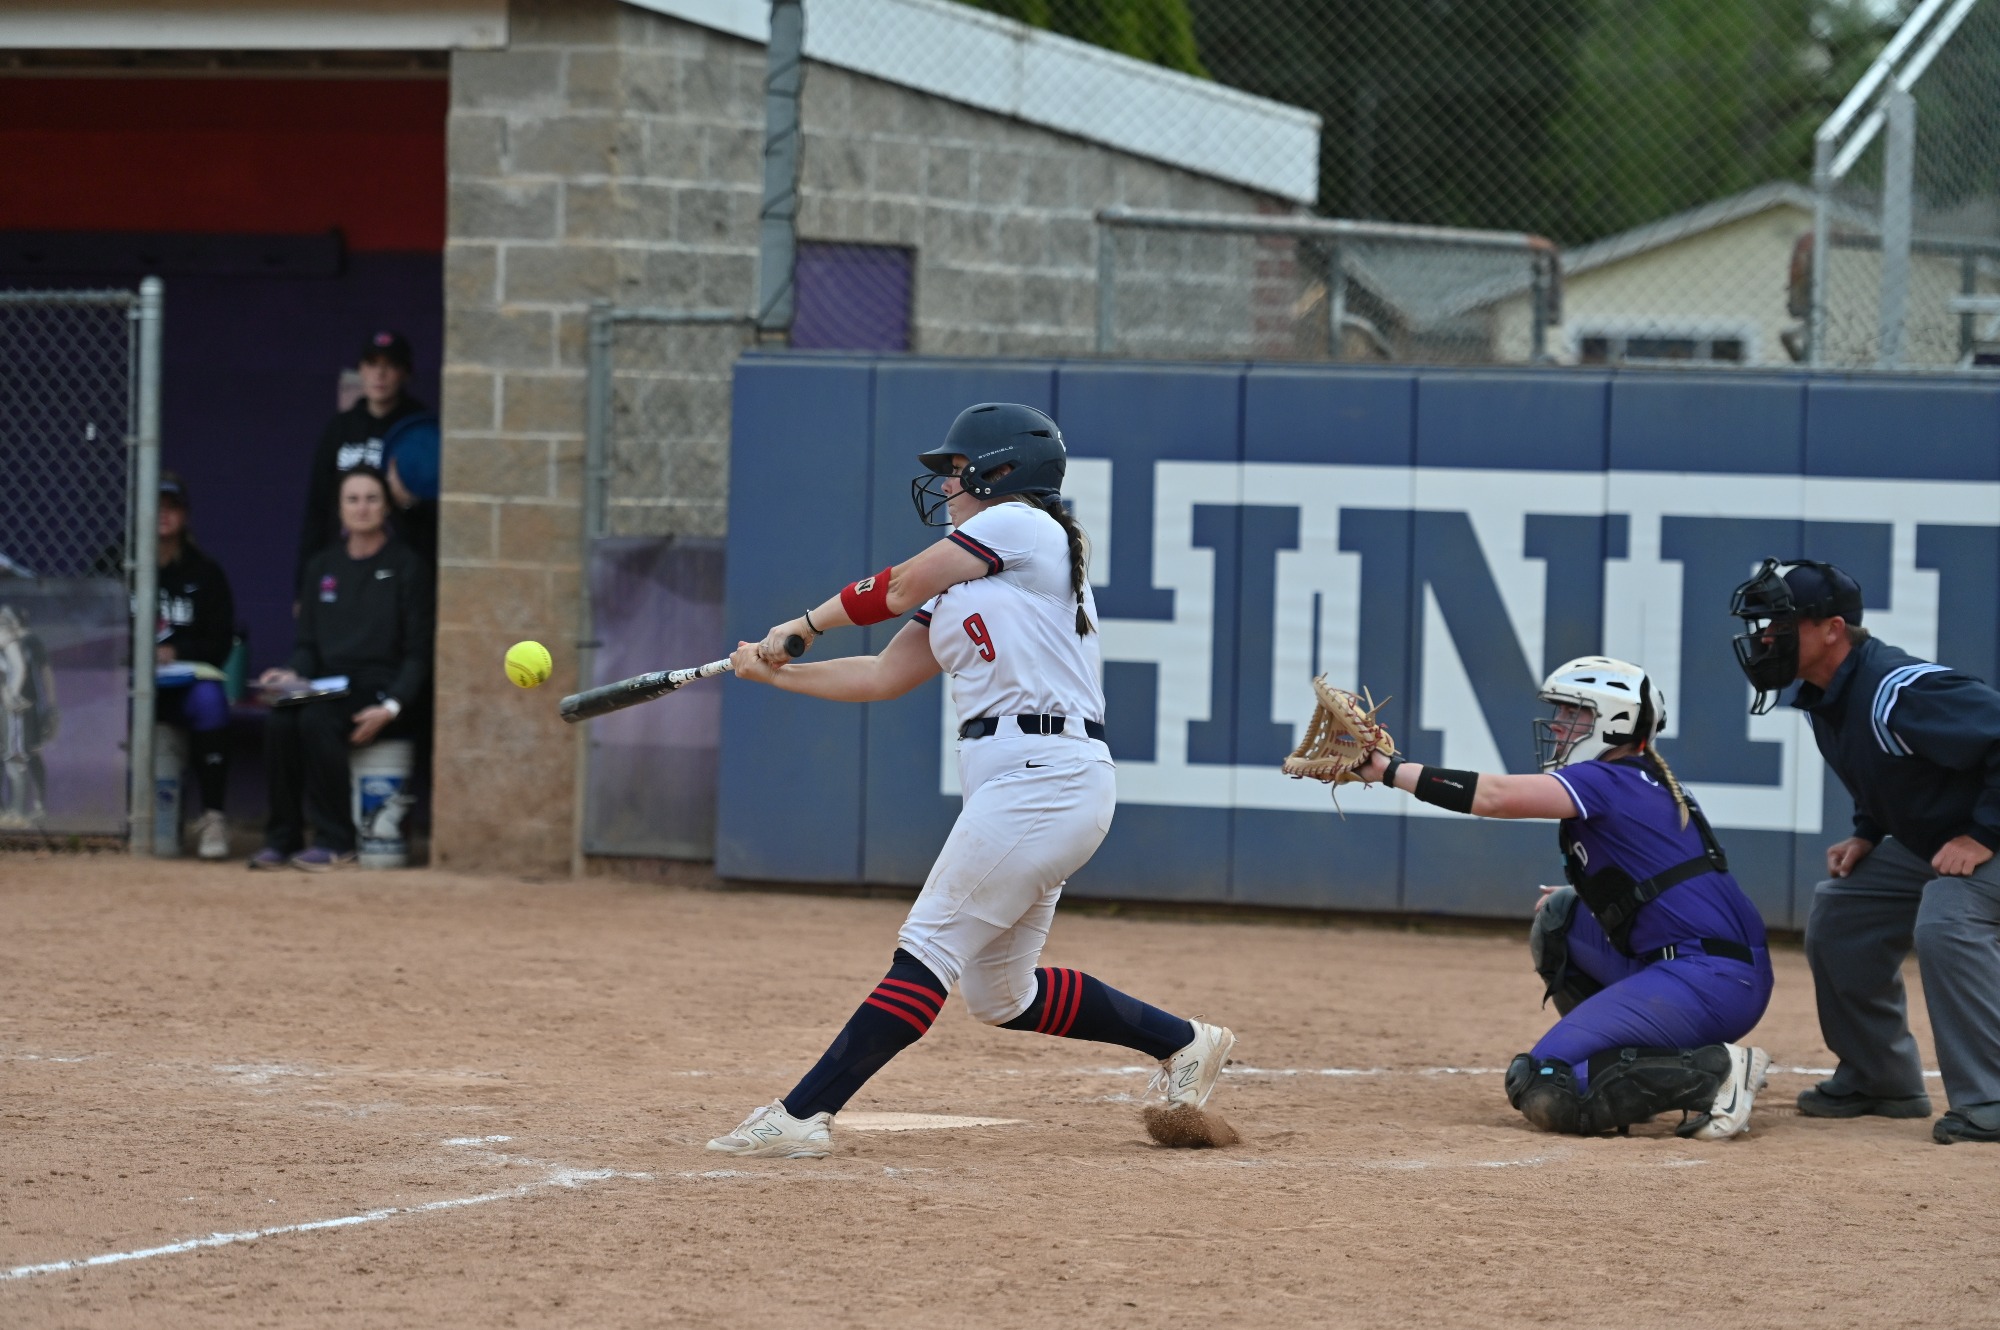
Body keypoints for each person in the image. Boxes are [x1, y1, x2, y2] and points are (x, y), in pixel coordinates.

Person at [705, 402, 1235, 1159]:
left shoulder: (1025, 526)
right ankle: (1185, 1042)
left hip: (1046, 776)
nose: (946, 484)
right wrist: (777, 676)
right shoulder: (964, 585)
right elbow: (886, 675)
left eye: (956, 470)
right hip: (1022, 784)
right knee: (1001, 996)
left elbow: (891, 588)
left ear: (1002, 472)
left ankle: (800, 1116)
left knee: (926, 947)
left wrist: (804, 625)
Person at [1353, 656, 1775, 1139]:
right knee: (1561, 917)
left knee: (1544, 1085)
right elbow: (1665, 878)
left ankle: (1715, 1073)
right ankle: (1635, 1067)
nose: (1557, 724)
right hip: (1708, 970)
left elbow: (1493, 798)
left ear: (1614, 721)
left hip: (1708, 980)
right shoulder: (1638, 776)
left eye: (1573, 713)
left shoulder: (1608, 778)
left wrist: (1388, 770)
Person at [1729, 558, 2000, 1145]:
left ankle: (1992, 1098)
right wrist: (1867, 834)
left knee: (1949, 917)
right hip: (1949, 837)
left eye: (1778, 624)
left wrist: (1984, 835)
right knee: (1843, 909)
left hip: (1988, 836)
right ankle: (1882, 1079)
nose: (1765, 638)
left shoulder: (1900, 690)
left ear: (1830, 628)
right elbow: (1891, 775)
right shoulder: (1832, 692)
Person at [253, 467, 432, 872]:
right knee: (281, 719)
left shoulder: (407, 566)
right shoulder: (322, 567)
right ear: (339, 508)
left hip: (380, 687)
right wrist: (289, 675)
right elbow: (308, 647)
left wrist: (391, 706)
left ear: (386, 506)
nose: (362, 507)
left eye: (371, 498)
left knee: (316, 718)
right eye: (352, 499)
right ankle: (282, 837)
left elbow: (419, 653)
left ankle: (336, 840)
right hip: (326, 684)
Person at [294, 331, 428, 598]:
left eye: (390, 366)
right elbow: (317, 508)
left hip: (401, 570)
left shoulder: (420, 430)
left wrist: (409, 503)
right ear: (361, 371)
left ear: (405, 373)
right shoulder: (340, 428)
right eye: (372, 365)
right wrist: (302, 588)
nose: (380, 375)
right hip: (343, 564)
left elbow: (439, 516)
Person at [152, 473, 237, 860]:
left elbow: (220, 645)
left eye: (172, 507)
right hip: (130, 686)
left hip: (182, 686)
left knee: (211, 700)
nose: (163, 515)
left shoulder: (205, 572)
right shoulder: (115, 561)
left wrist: (177, 651)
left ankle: (213, 817)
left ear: (185, 514)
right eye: (155, 506)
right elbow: (92, 624)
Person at [0, 604, 56, 827]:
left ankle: (29, 808)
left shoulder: (27, 641)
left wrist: (51, 705)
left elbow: (38, 671)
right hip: (10, 706)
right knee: (10, 755)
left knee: (22, 755)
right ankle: (9, 811)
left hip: (23, 707)